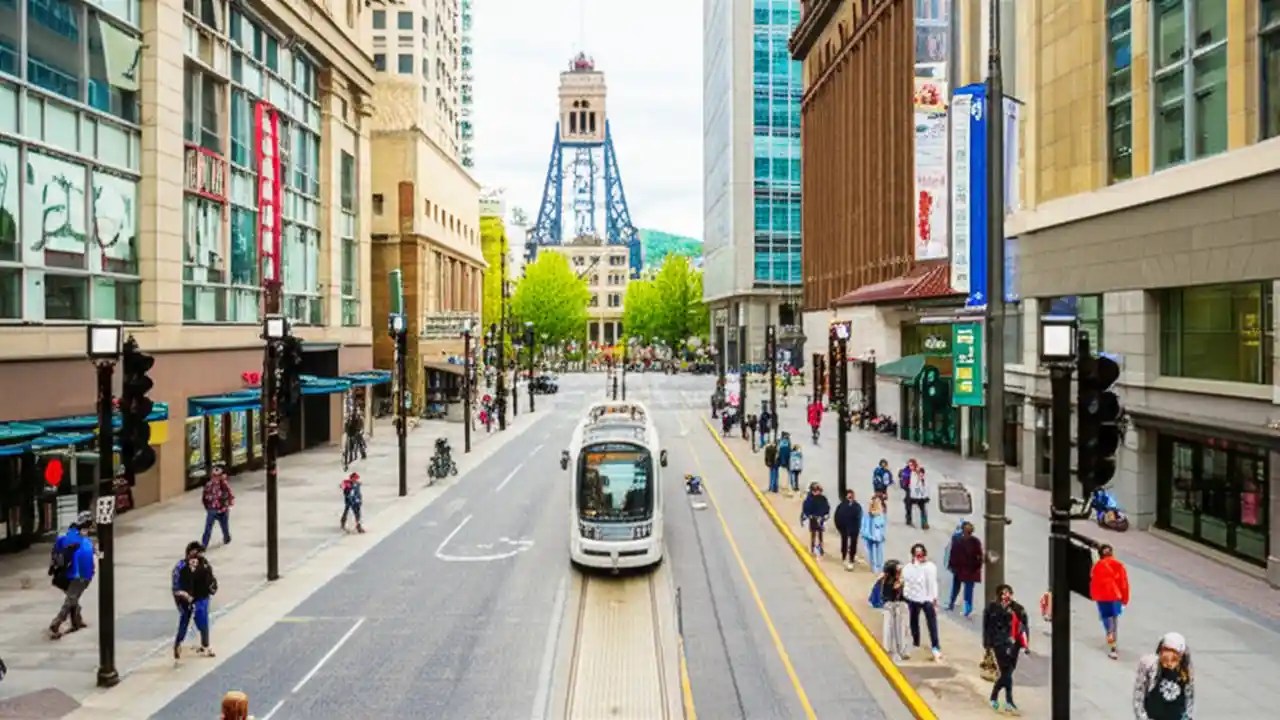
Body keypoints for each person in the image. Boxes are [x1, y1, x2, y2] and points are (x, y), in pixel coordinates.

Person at [982, 583, 1030, 715]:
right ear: (999, 595)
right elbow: (986, 627)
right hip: (999, 644)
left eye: (1008, 593)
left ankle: (997, 697)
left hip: (1014, 645)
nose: (1006, 596)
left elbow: (1024, 628)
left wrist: (1026, 645)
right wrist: (987, 645)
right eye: (1003, 593)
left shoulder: (1018, 609)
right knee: (1006, 672)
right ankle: (1007, 700)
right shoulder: (992, 608)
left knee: (1008, 672)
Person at [48, 512, 95, 639]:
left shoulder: (68, 536)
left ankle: (77, 620)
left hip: (74, 574)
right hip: (78, 574)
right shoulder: (80, 539)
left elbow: (56, 551)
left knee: (73, 598)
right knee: (71, 599)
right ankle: (56, 622)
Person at [1132, 632, 1194, 720]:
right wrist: (1143, 717)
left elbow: (1189, 696)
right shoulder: (1149, 665)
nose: (1170, 663)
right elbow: (1139, 695)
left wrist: (1187, 717)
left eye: (1175, 658)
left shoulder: (1184, 667)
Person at [172, 541, 218, 659]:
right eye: (197, 554)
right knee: (185, 619)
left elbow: (211, 579)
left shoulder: (204, 564)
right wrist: (185, 596)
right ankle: (178, 643)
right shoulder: (180, 567)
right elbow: (176, 587)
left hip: (201, 595)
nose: (198, 558)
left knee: (201, 615)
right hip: (184, 597)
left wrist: (212, 587)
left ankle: (205, 644)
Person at [902, 543, 943, 661]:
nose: (919, 556)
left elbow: (933, 583)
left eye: (921, 553)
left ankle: (935, 646)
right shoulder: (908, 568)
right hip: (913, 599)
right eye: (917, 554)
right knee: (913, 621)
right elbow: (907, 583)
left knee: (932, 624)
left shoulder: (930, 567)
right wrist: (907, 596)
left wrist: (934, 598)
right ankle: (916, 642)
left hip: (927, 600)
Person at [1091, 543, 1131, 659]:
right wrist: (1125, 599)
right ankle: (1113, 644)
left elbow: (1094, 583)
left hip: (1103, 598)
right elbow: (1124, 583)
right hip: (1116, 597)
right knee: (1114, 620)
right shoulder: (1118, 565)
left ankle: (1112, 645)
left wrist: (1095, 597)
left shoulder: (1097, 566)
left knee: (1107, 622)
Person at [946, 521, 983, 617]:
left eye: (968, 531)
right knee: (956, 587)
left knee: (968, 591)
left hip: (969, 570)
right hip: (960, 568)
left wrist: (976, 567)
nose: (966, 533)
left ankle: (966, 609)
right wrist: (951, 565)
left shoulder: (974, 541)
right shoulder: (957, 539)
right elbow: (953, 553)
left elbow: (979, 556)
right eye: (965, 530)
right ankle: (952, 604)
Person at [878, 559, 911, 662]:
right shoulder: (897, 583)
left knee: (889, 627)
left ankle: (889, 648)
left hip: (889, 605)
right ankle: (901, 650)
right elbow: (904, 596)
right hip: (898, 606)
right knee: (900, 628)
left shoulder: (883, 580)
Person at [201, 463, 234, 549]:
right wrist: (207, 507)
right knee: (208, 527)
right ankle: (204, 544)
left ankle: (226, 537)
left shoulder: (224, 484)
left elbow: (230, 495)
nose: (215, 478)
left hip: (222, 509)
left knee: (224, 527)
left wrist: (228, 505)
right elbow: (204, 497)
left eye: (217, 476)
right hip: (212, 509)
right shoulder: (208, 485)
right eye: (214, 476)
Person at [833, 490, 864, 571]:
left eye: (852, 496)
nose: (850, 498)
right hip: (844, 528)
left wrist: (859, 527)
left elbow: (860, 517)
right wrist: (839, 527)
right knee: (844, 542)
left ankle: (851, 559)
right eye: (849, 496)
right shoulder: (842, 506)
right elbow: (837, 517)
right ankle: (844, 557)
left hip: (854, 528)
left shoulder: (857, 506)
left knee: (853, 544)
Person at [800, 483, 830, 557]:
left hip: (820, 519)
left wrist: (825, 515)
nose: (818, 492)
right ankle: (812, 548)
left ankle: (820, 548)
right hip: (813, 519)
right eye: (816, 491)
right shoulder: (810, 499)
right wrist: (807, 516)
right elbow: (806, 508)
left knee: (820, 534)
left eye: (819, 491)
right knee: (813, 534)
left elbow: (827, 507)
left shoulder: (822, 498)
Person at [860, 496, 888, 573]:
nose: (876, 503)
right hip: (869, 535)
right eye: (875, 502)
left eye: (878, 502)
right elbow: (864, 524)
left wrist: (883, 534)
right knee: (871, 552)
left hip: (878, 536)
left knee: (879, 552)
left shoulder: (881, 514)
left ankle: (880, 567)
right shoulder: (868, 514)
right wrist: (863, 533)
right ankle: (873, 567)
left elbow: (883, 525)